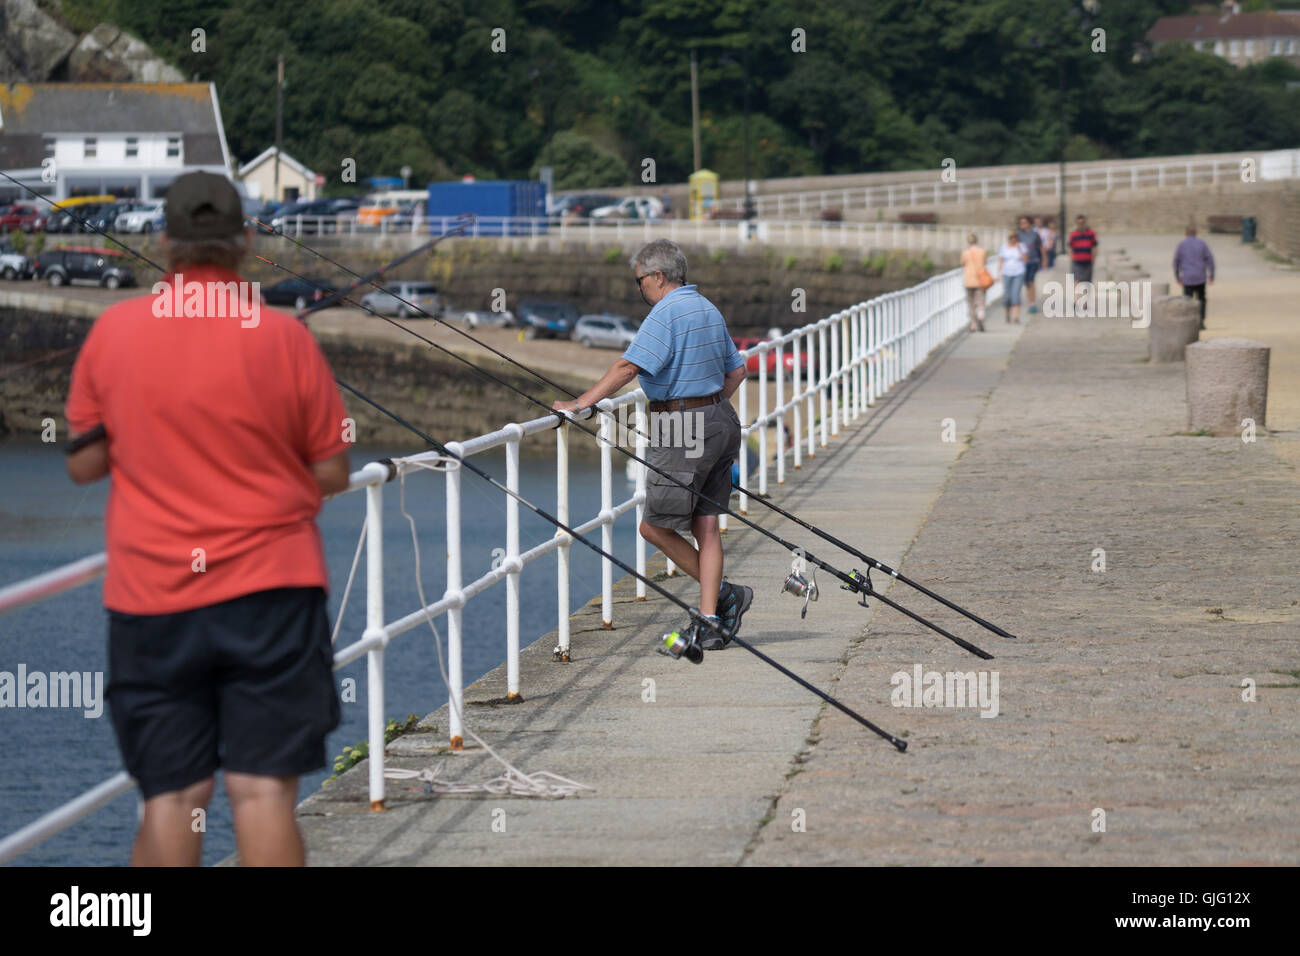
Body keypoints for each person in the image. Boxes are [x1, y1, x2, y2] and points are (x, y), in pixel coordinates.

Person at [65, 171, 349, 866]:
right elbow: (333, 472)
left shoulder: (114, 332)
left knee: (172, 796)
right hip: (274, 592)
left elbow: (82, 463)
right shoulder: (286, 340)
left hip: (153, 596)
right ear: (245, 242)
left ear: (164, 243)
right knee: (261, 795)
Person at [551, 239, 750, 652]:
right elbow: (739, 370)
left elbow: (628, 366)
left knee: (653, 526)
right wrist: (709, 406)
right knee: (707, 525)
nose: (639, 289)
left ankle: (726, 595)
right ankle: (711, 617)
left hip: (682, 426)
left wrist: (579, 404)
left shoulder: (666, 311)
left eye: (639, 281)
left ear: (658, 277)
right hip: (720, 420)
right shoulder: (707, 308)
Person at [1173, 225, 1216, 330]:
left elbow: (1176, 261)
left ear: (1186, 233)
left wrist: (1177, 277)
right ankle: (1201, 321)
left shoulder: (1181, 245)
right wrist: (1211, 276)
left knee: (1187, 300)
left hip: (1187, 277)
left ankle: (1187, 322)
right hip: (1200, 276)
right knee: (1201, 299)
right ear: (1195, 233)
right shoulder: (1202, 244)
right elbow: (1210, 260)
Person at [996, 230, 1028, 323]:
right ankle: (1007, 314)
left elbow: (1025, 259)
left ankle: (1015, 316)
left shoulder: (1021, 246)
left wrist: (1019, 249)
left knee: (1016, 294)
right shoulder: (1004, 248)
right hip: (1006, 273)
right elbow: (1001, 260)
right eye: (1011, 238)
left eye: (1015, 238)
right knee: (1007, 296)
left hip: (1018, 272)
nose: (1013, 240)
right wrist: (999, 273)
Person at [960, 232, 988, 332]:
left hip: (968, 280)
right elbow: (985, 263)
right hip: (980, 279)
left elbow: (963, 263)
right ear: (977, 240)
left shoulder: (965, 253)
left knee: (971, 303)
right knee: (980, 301)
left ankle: (973, 324)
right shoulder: (982, 251)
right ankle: (981, 315)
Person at [1068, 214, 1099, 303]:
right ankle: (1077, 300)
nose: (1081, 224)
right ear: (1077, 223)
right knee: (1077, 281)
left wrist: (1094, 258)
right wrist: (1072, 258)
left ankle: (1085, 301)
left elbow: (1094, 247)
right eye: (1079, 223)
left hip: (1088, 261)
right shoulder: (1073, 234)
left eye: (1083, 223)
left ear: (1085, 223)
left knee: (1087, 282)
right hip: (1077, 261)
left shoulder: (1091, 233)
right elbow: (1070, 247)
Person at [1017, 216, 1043, 313]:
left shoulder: (1035, 234)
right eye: (1021, 223)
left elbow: (1041, 247)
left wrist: (1044, 261)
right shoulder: (1018, 235)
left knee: (1031, 281)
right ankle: (1030, 301)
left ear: (1029, 224)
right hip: (1022, 262)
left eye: (1024, 223)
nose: (1022, 225)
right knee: (1027, 283)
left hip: (1033, 261)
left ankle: (1032, 303)